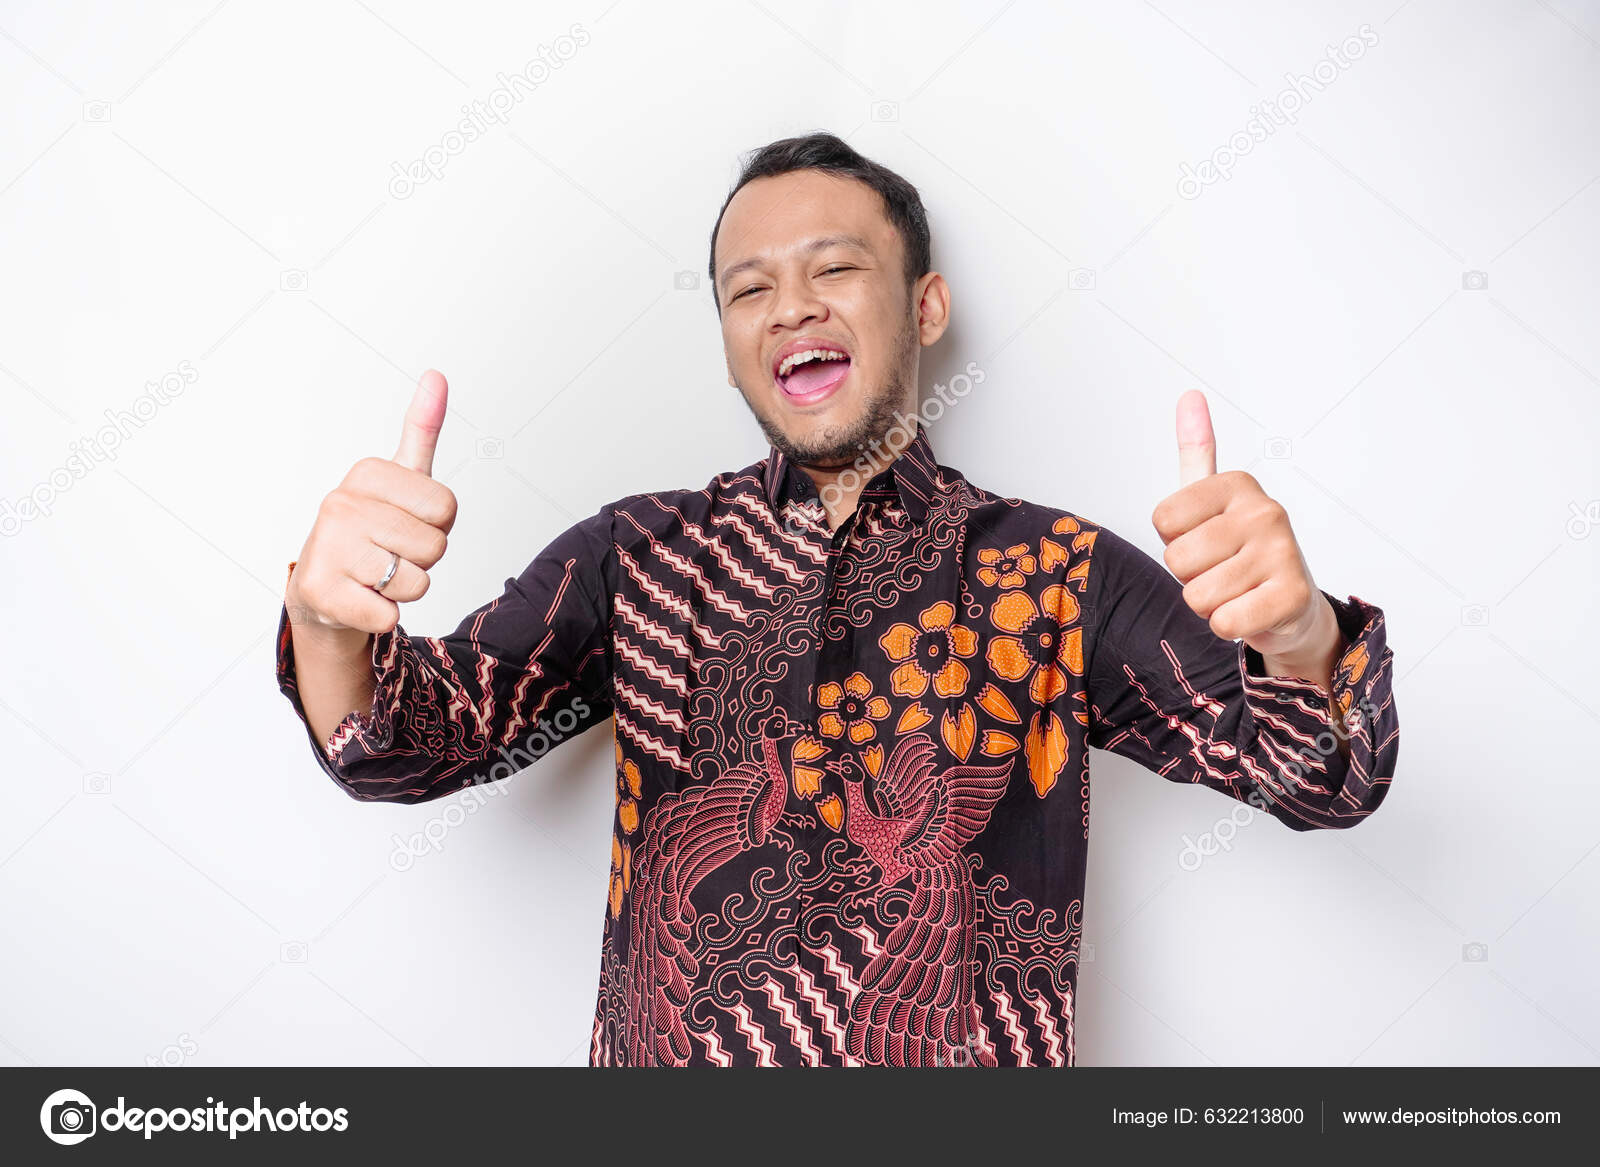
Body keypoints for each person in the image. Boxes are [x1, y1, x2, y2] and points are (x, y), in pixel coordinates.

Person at [276, 132, 1399, 1067]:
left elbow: (1319, 782)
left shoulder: (1056, 575)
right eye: (747, 288)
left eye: (833, 269)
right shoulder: (633, 558)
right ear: (726, 344)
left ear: (924, 307)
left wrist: (1300, 639)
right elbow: (407, 748)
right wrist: (330, 623)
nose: (787, 307)